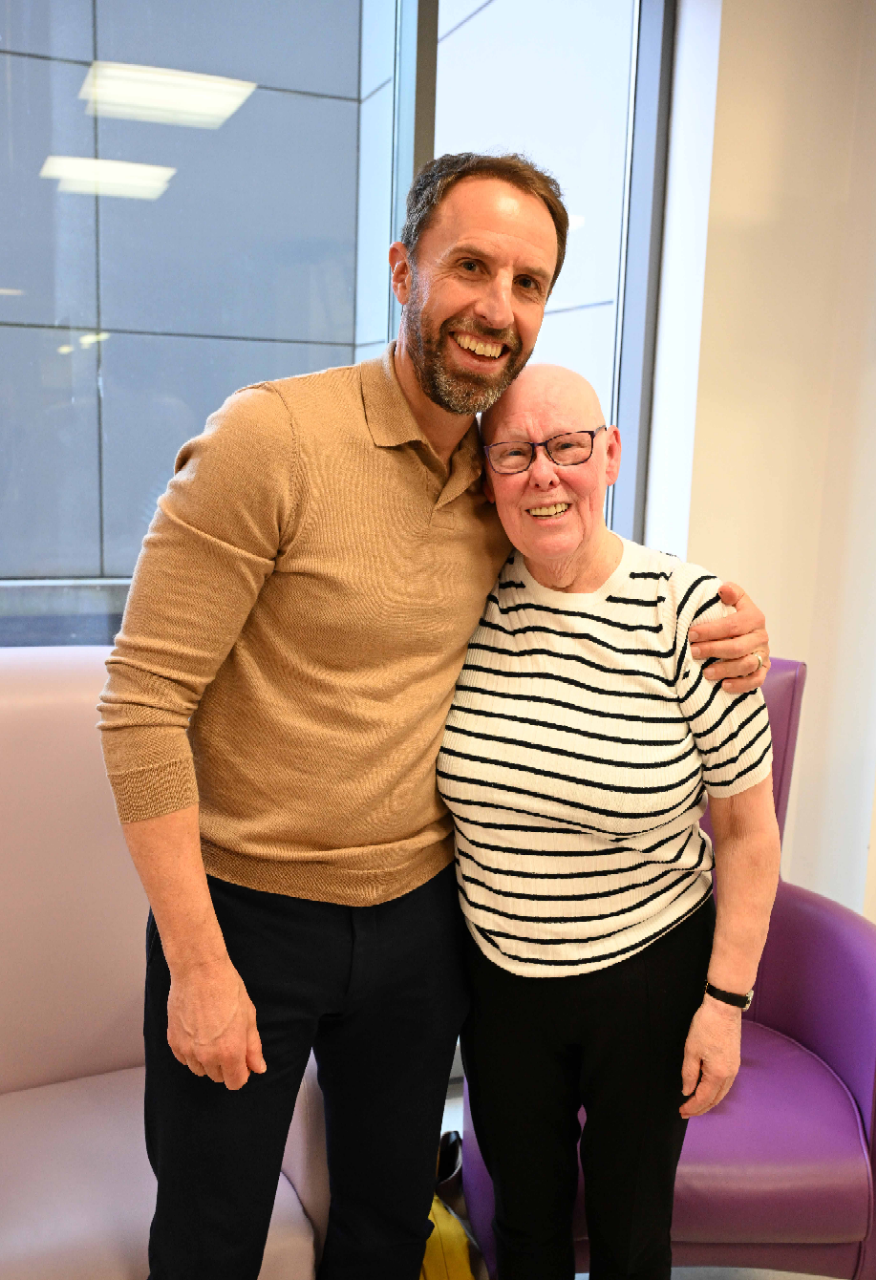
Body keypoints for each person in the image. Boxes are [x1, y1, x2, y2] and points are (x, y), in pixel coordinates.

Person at [97, 153, 771, 1280]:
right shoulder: (273, 440)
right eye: (471, 265)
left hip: (421, 928)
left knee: (388, 1230)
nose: (497, 307)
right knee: (212, 1237)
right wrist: (198, 958)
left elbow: (590, 563)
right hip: (250, 919)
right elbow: (141, 705)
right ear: (404, 267)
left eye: (528, 281)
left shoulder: (496, 481)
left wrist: (728, 619)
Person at [437, 364, 782, 1280]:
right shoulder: (462, 602)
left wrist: (726, 1007)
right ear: (487, 472)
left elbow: (749, 834)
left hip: (650, 977)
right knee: (525, 1228)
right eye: (515, 452)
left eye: (568, 447)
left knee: (632, 1237)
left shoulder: (692, 614)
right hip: (501, 982)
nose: (543, 473)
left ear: (611, 455)